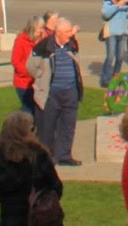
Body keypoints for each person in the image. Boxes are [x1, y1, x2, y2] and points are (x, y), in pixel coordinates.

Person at [0, 111, 62, 226]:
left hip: (10, 220)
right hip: (40, 219)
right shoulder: (38, 155)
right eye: (32, 129)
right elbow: (56, 187)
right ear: (26, 132)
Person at [27, 18, 85, 166]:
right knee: (47, 127)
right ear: (57, 33)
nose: (69, 34)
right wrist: (41, 79)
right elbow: (31, 67)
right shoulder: (44, 46)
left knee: (68, 126)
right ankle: (47, 158)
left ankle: (64, 156)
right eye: (66, 32)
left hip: (70, 92)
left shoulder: (72, 44)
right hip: (50, 93)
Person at [101, 0, 128, 87]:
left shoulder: (123, 5)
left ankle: (116, 77)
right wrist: (117, 5)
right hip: (112, 33)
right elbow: (105, 14)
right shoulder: (108, 4)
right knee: (110, 56)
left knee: (119, 58)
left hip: (122, 33)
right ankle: (106, 79)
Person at [10, 15, 43, 114]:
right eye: (40, 28)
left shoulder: (40, 40)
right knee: (28, 111)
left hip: (37, 82)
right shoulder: (21, 41)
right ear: (33, 28)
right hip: (24, 83)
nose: (42, 30)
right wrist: (29, 72)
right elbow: (15, 61)